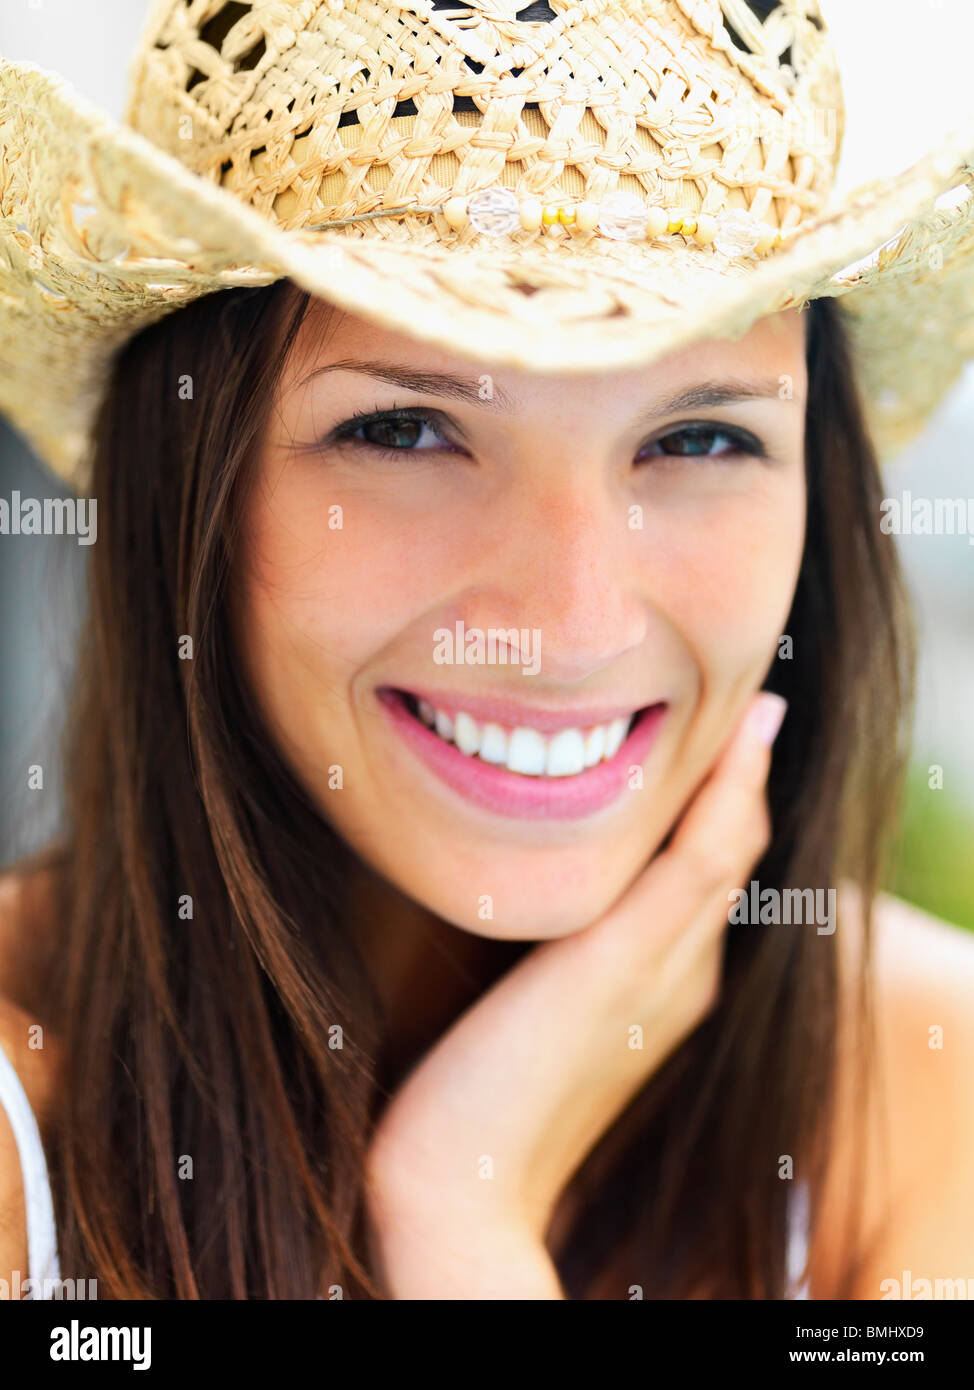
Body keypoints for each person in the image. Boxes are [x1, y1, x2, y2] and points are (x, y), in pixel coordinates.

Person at [1, 0, 973, 1300]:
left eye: (695, 440)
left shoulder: (934, 1085)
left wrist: (461, 1211)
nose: (570, 625)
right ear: (193, 486)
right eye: (404, 430)